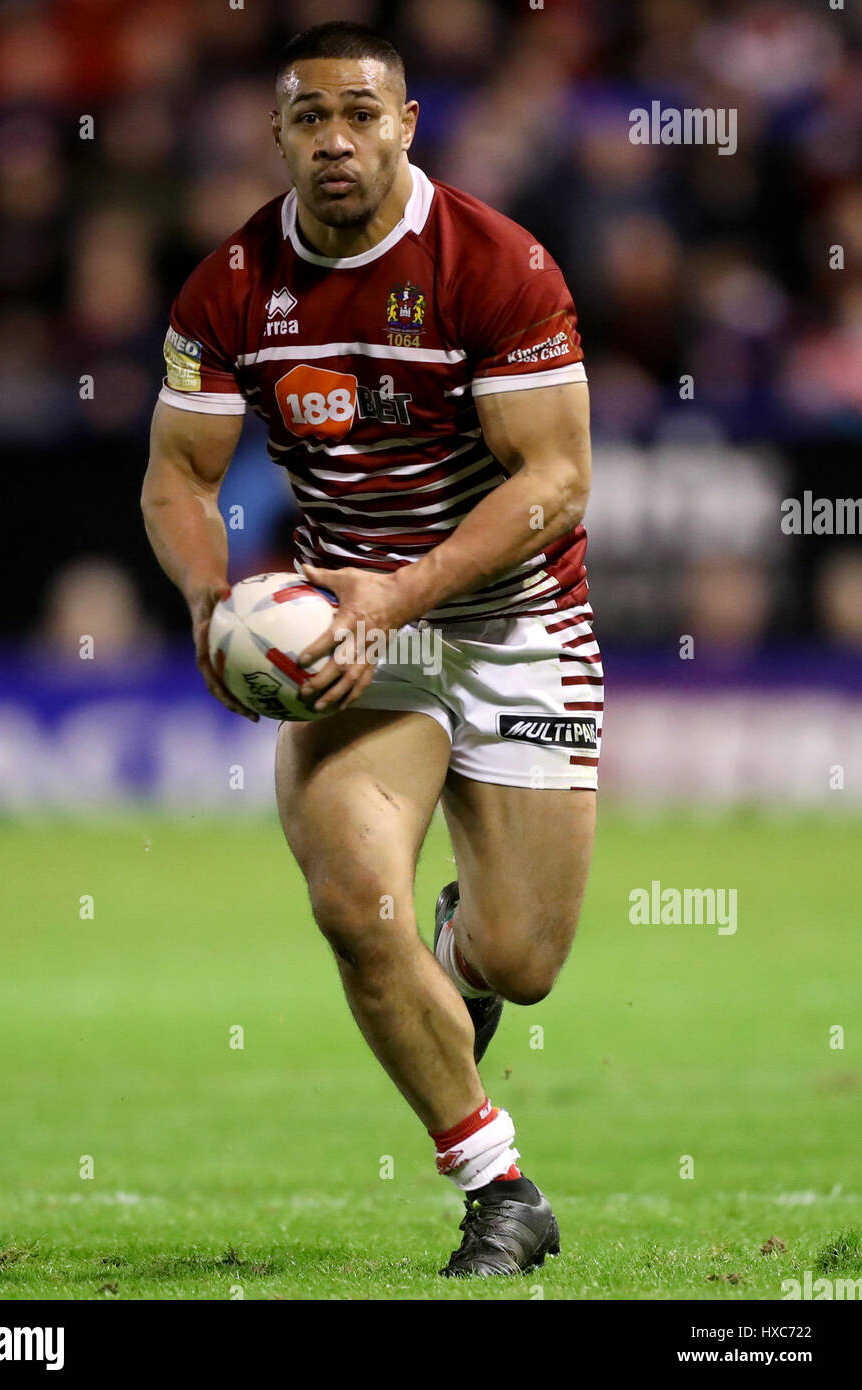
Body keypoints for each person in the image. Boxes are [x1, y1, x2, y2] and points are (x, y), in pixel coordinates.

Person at [141, 21, 601, 1277]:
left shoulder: (497, 264)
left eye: (360, 113)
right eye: (308, 118)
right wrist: (205, 597)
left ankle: (456, 961)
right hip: (351, 633)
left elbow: (555, 479)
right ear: (278, 135)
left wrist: (402, 593)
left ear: (406, 126)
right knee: (353, 899)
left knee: (521, 960)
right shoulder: (231, 286)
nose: (334, 139)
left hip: (512, 620)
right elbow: (177, 478)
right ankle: (496, 1182)